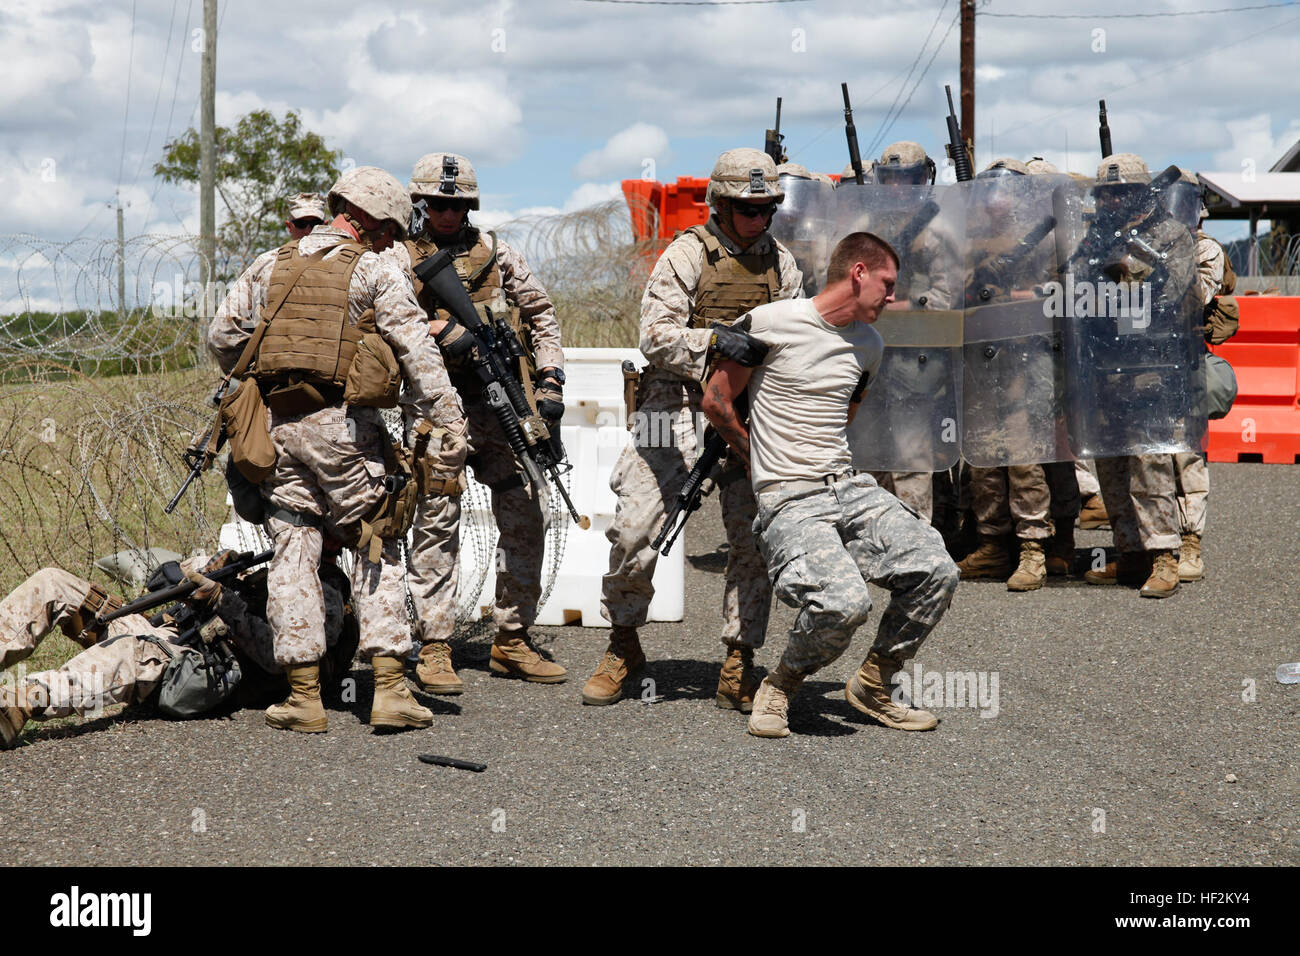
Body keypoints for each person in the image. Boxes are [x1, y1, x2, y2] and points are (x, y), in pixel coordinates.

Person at [210, 165, 468, 732]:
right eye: (388, 233)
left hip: (278, 429)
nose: (390, 243)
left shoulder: (270, 263)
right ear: (372, 223)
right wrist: (449, 421)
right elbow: (416, 352)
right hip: (346, 429)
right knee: (376, 541)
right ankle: (391, 691)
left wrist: (270, 378)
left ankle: (303, 697)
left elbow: (223, 337)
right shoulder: (372, 270)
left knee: (293, 548)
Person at [701, 232, 959, 738]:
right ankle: (781, 685)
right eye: (887, 285)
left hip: (847, 485)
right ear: (858, 272)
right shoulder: (772, 323)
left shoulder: (870, 345)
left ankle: (874, 683)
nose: (892, 298)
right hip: (788, 495)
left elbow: (844, 417)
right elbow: (716, 400)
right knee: (844, 602)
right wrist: (763, 462)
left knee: (937, 569)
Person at [585, 147, 803, 710]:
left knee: (753, 539)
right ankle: (624, 641)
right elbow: (654, 336)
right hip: (673, 404)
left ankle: (739, 658)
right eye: (747, 210)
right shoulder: (686, 255)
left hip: (747, 409)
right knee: (636, 531)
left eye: (767, 210)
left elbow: (797, 340)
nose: (759, 221)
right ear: (721, 206)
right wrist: (711, 341)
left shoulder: (783, 264)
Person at [388, 152, 567, 692]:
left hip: (499, 406)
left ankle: (511, 638)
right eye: (439, 203)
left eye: (458, 203)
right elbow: (382, 314)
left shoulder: (496, 252)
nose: (448, 212)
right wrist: (442, 331)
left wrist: (551, 381)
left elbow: (540, 314)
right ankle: (435, 644)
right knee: (438, 520)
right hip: (435, 407)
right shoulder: (398, 256)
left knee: (524, 510)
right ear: (422, 203)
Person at [0, 554, 354, 747]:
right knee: (52, 582)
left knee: (129, 653)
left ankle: (19, 703)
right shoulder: (271, 562)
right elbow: (159, 581)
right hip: (162, 631)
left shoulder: (324, 588)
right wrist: (200, 572)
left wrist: (221, 599)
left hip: (190, 667)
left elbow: (279, 658)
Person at [1075, 154, 1196, 597]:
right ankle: (1129, 554)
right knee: (1109, 463)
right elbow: (1076, 287)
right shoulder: (1098, 235)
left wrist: (1126, 275)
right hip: (1105, 367)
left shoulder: (1170, 235)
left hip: (1153, 367)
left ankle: (1164, 555)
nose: (1112, 199)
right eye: (1106, 193)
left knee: (1151, 463)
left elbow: (1171, 297)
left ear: (1142, 193)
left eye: (1121, 191)